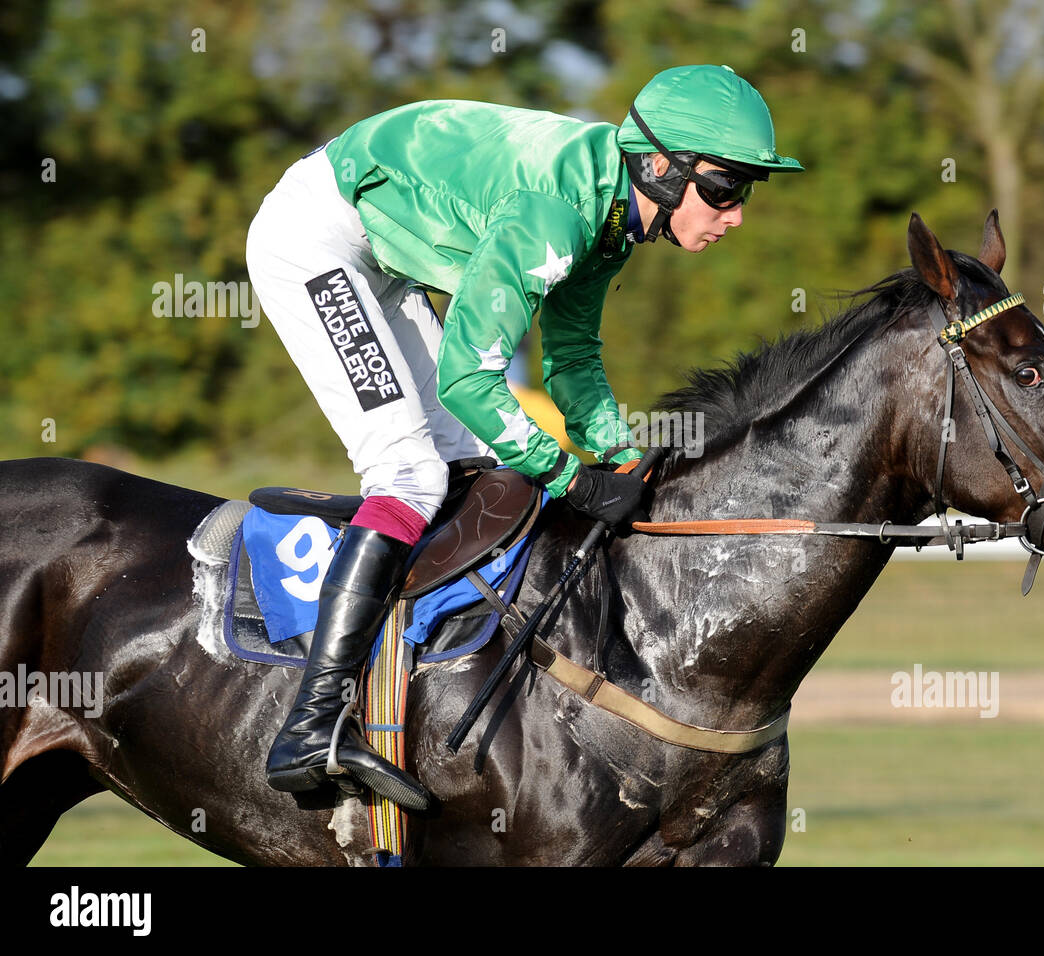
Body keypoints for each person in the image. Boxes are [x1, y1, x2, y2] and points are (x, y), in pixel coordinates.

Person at [244, 64, 803, 810]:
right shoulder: (557, 213)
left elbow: (571, 361)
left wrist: (622, 454)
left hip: (381, 252)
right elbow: (469, 381)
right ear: (661, 168)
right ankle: (309, 725)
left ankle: (407, 688)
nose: (735, 213)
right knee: (408, 473)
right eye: (726, 187)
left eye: (745, 192)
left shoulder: (613, 220)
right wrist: (570, 478)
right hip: (317, 236)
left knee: (467, 467)